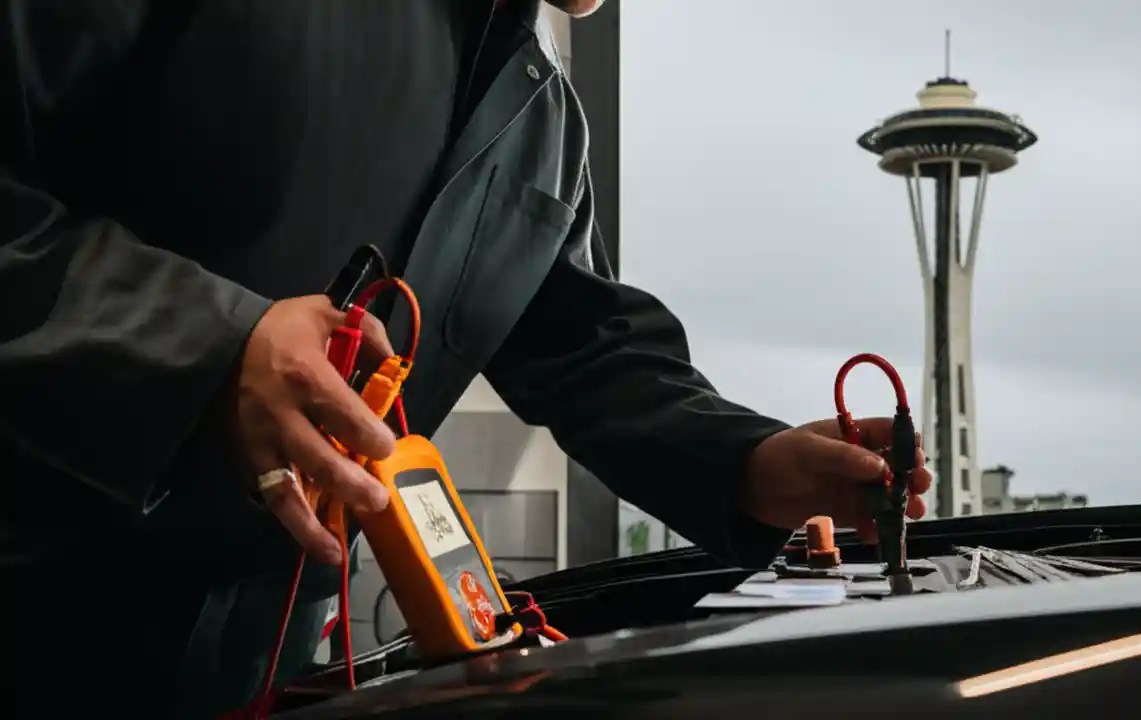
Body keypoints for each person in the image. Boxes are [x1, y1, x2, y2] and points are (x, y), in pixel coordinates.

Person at [0, 0, 931, 715]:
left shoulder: (540, 121)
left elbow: (588, 346)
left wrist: (750, 464)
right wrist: (207, 348)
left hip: (251, 667)